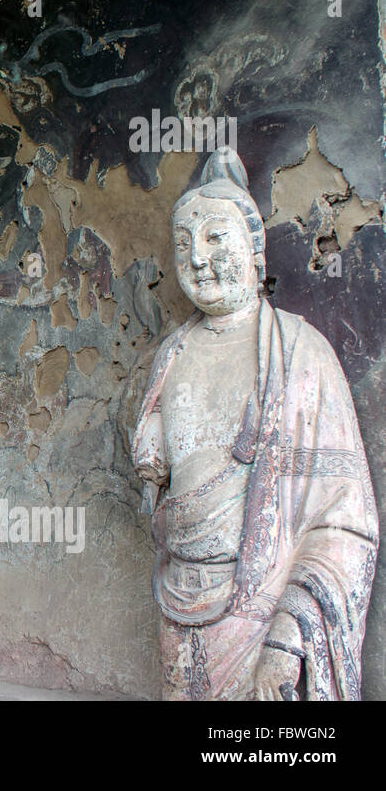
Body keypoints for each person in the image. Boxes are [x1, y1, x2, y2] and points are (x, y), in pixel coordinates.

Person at [131, 146, 377, 700]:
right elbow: (161, 468)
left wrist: (292, 633)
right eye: (184, 245)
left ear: (255, 248)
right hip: (179, 595)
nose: (197, 259)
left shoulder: (300, 355)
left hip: (261, 607)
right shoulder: (171, 354)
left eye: (216, 239)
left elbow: (345, 520)